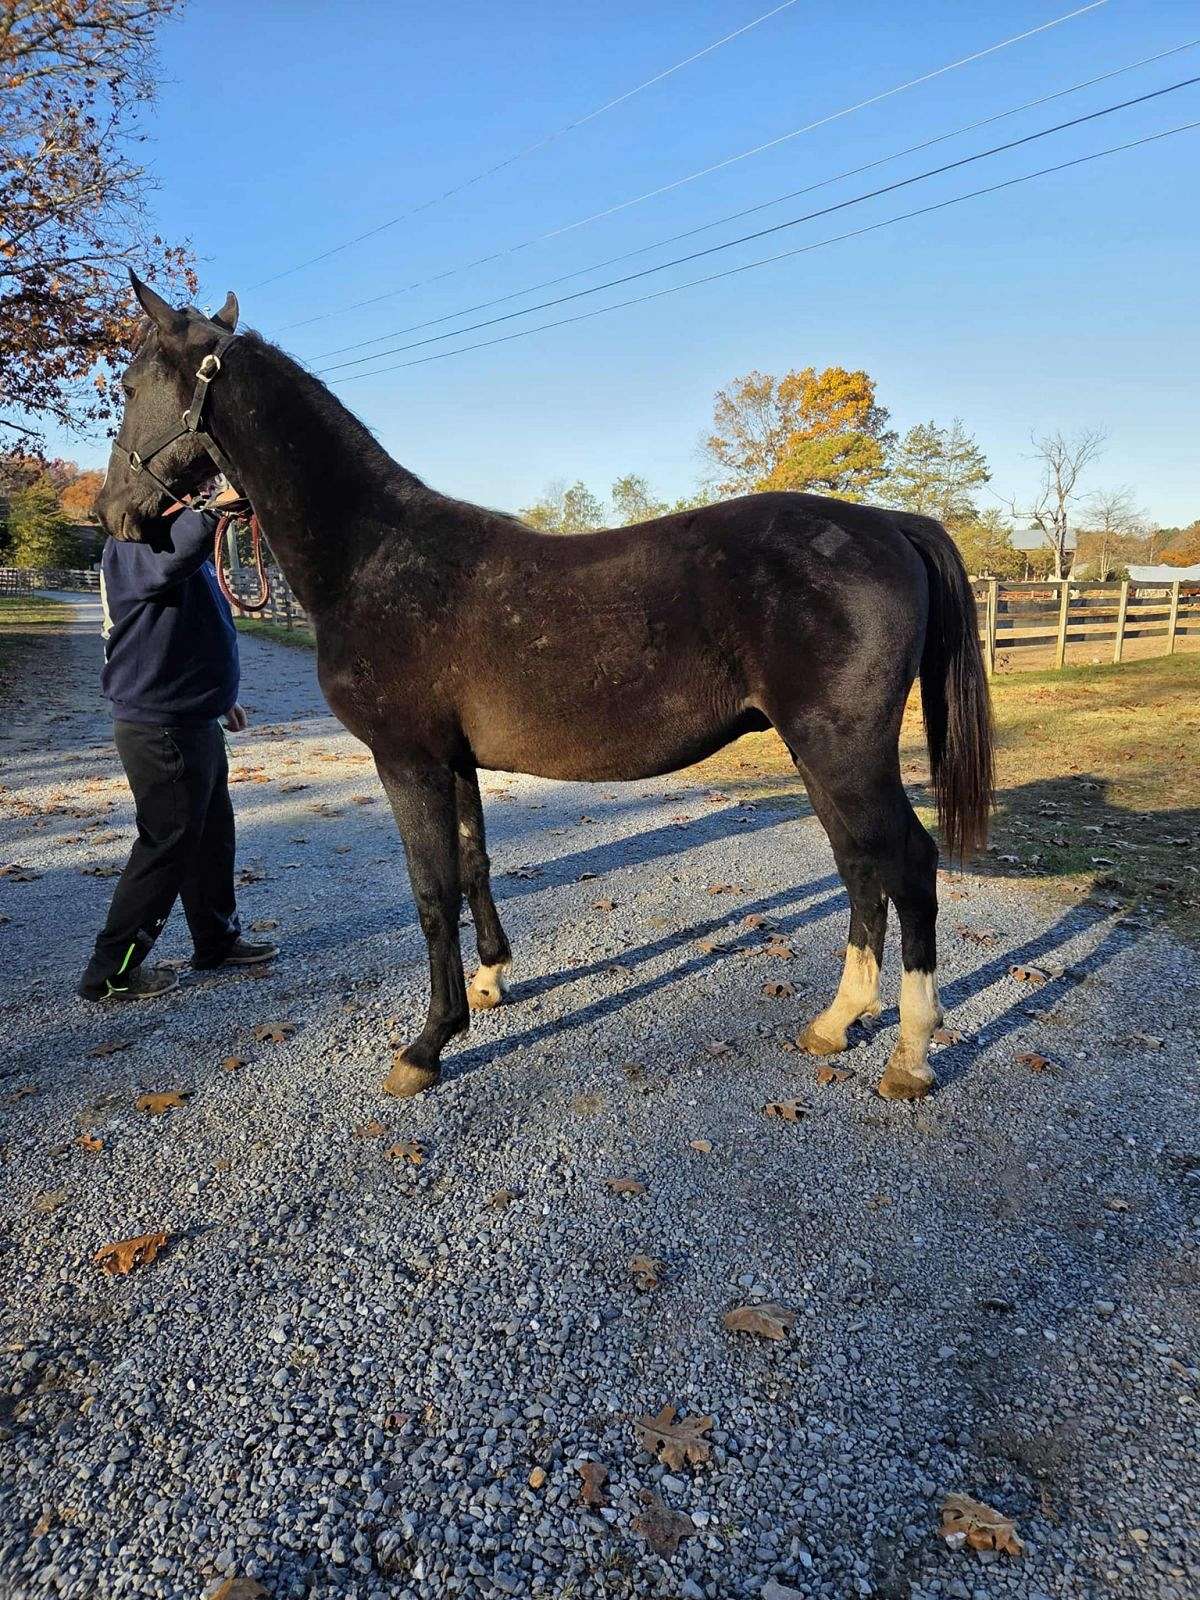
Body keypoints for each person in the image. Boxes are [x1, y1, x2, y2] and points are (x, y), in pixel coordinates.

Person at [78, 489, 278, 1002]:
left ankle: (216, 940)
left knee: (212, 834)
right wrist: (211, 513)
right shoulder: (132, 546)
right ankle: (111, 970)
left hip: (192, 715)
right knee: (167, 840)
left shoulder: (180, 549)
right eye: (184, 496)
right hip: (158, 723)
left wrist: (220, 697)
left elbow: (197, 628)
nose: (194, 499)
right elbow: (177, 557)